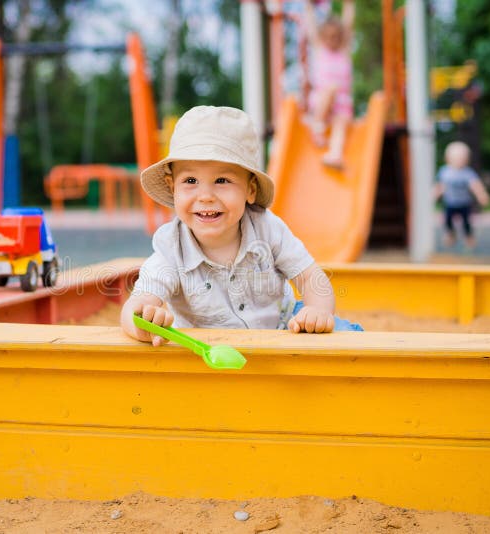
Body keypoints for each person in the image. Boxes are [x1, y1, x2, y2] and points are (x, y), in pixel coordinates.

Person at [121, 105, 361, 346]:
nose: (205, 196)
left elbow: (312, 279)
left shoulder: (267, 228)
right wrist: (144, 318)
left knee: (347, 338)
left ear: (250, 190)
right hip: (211, 347)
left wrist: (318, 312)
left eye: (222, 180)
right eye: (190, 181)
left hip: (283, 329)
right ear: (173, 188)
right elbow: (137, 303)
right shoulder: (172, 249)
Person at [303, 0, 355, 168]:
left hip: (341, 105)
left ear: (341, 37)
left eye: (336, 36)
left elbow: (348, 24)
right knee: (331, 89)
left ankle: (335, 154)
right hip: (321, 102)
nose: (333, 40)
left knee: (341, 123)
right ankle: (317, 126)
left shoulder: (343, 50)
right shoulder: (320, 49)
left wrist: (349, 5)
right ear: (323, 36)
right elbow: (311, 25)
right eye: (329, 36)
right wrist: (309, 6)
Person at [434, 142, 490, 250]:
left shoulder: (467, 173)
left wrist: (482, 195)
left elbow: (475, 185)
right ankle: (450, 234)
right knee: (447, 221)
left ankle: (469, 237)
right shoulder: (445, 172)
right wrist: (435, 194)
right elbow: (440, 185)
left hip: (464, 203)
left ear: (467, 159)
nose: (459, 161)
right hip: (450, 202)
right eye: (456, 158)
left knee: (466, 222)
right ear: (448, 159)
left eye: (462, 158)